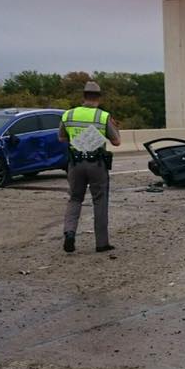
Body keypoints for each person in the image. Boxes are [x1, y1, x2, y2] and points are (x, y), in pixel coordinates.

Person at [59, 81, 122, 253]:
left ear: (83, 96)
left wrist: (78, 138)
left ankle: (69, 232)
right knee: (99, 200)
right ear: (98, 98)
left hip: (75, 163)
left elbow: (61, 138)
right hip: (96, 164)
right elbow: (116, 142)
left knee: (75, 199)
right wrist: (114, 128)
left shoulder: (68, 114)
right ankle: (101, 243)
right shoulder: (103, 116)